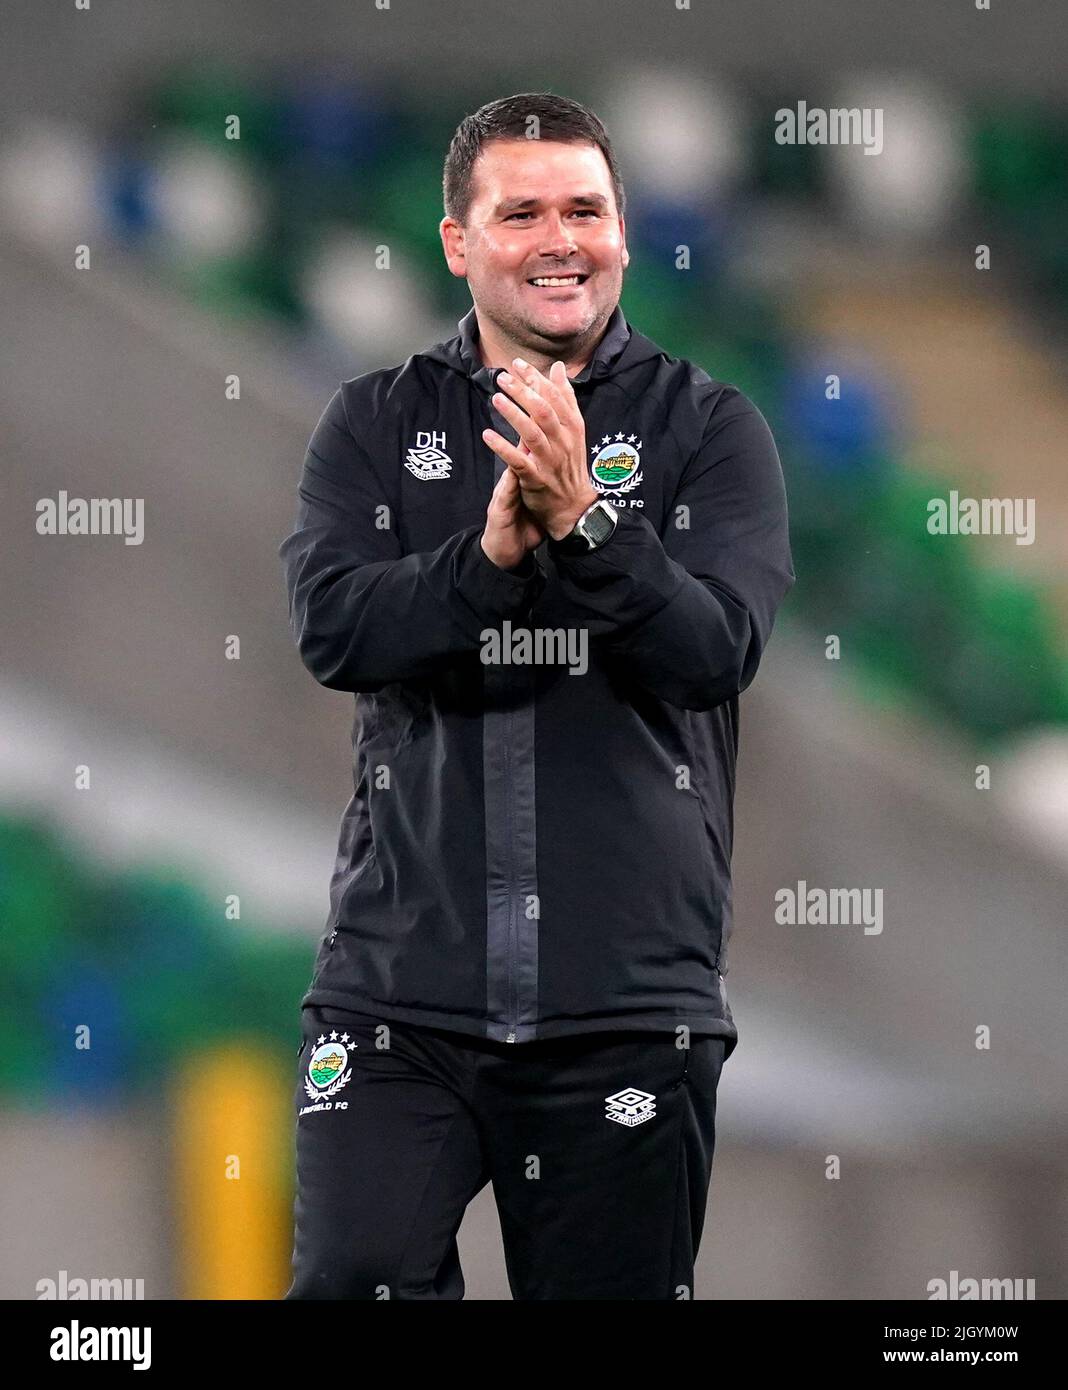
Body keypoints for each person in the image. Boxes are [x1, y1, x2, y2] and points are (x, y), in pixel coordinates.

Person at [278, 91, 794, 1300]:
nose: (562, 238)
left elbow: (717, 647)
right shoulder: (373, 422)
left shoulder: (714, 431)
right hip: (400, 994)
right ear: (459, 241)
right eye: (523, 213)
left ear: (624, 231)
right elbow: (334, 626)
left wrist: (584, 525)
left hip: (624, 1002)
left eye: (587, 209)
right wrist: (490, 562)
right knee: (352, 1277)